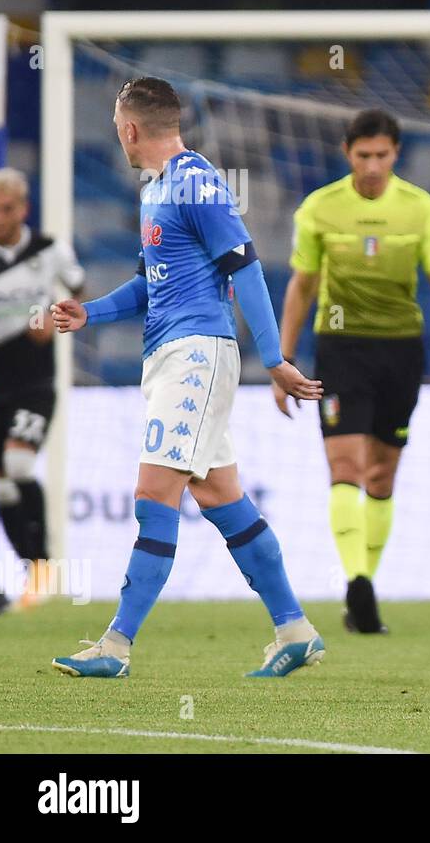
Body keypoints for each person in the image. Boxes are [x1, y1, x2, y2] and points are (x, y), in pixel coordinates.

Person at [50, 77, 325, 677]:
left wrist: (274, 358)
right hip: (177, 355)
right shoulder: (158, 189)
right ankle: (295, 630)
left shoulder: (196, 182)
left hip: (197, 356)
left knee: (154, 496)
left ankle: (116, 646)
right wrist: (89, 311)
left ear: (128, 129)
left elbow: (245, 267)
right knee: (223, 499)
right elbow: (150, 287)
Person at [277, 109, 430, 634]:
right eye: (362, 155)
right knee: (344, 466)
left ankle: (365, 578)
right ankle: (358, 584)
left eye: (381, 155)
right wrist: (283, 358)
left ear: (396, 154)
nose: (371, 165)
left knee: (381, 475)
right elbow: (301, 286)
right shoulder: (319, 209)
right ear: (347, 153)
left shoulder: (423, 211)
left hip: (401, 351)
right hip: (340, 348)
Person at [0, 166, 85, 609]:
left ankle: (43, 567)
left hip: (36, 384)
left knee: (20, 465)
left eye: (6, 208)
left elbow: (78, 292)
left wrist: (56, 315)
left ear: (23, 209)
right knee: (2, 485)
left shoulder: (50, 251)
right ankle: (32, 574)